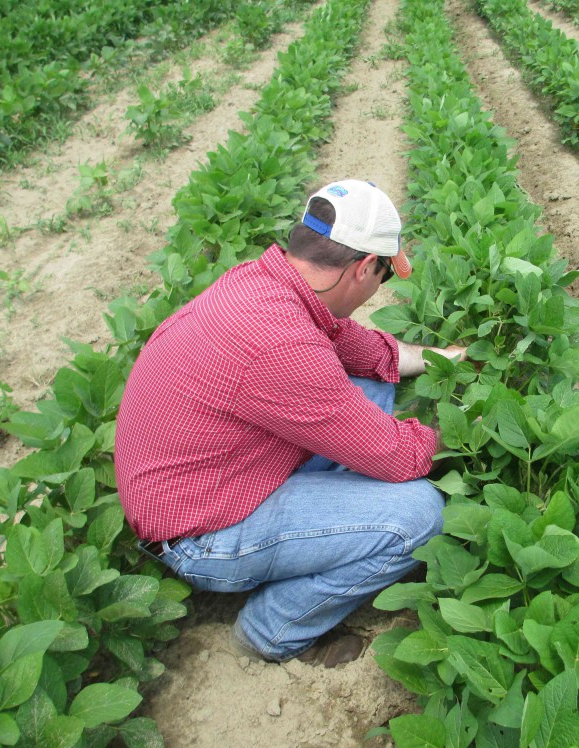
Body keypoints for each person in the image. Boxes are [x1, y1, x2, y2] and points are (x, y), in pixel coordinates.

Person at [115, 179, 465, 666]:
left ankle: (331, 526)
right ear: (364, 268)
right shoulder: (281, 346)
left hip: (214, 473)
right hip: (199, 533)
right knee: (420, 515)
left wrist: (448, 358)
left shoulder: (265, 283)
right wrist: (471, 432)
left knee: (373, 384)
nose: (379, 287)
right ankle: (270, 630)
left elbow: (360, 350)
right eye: (385, 275)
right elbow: (400, 454)